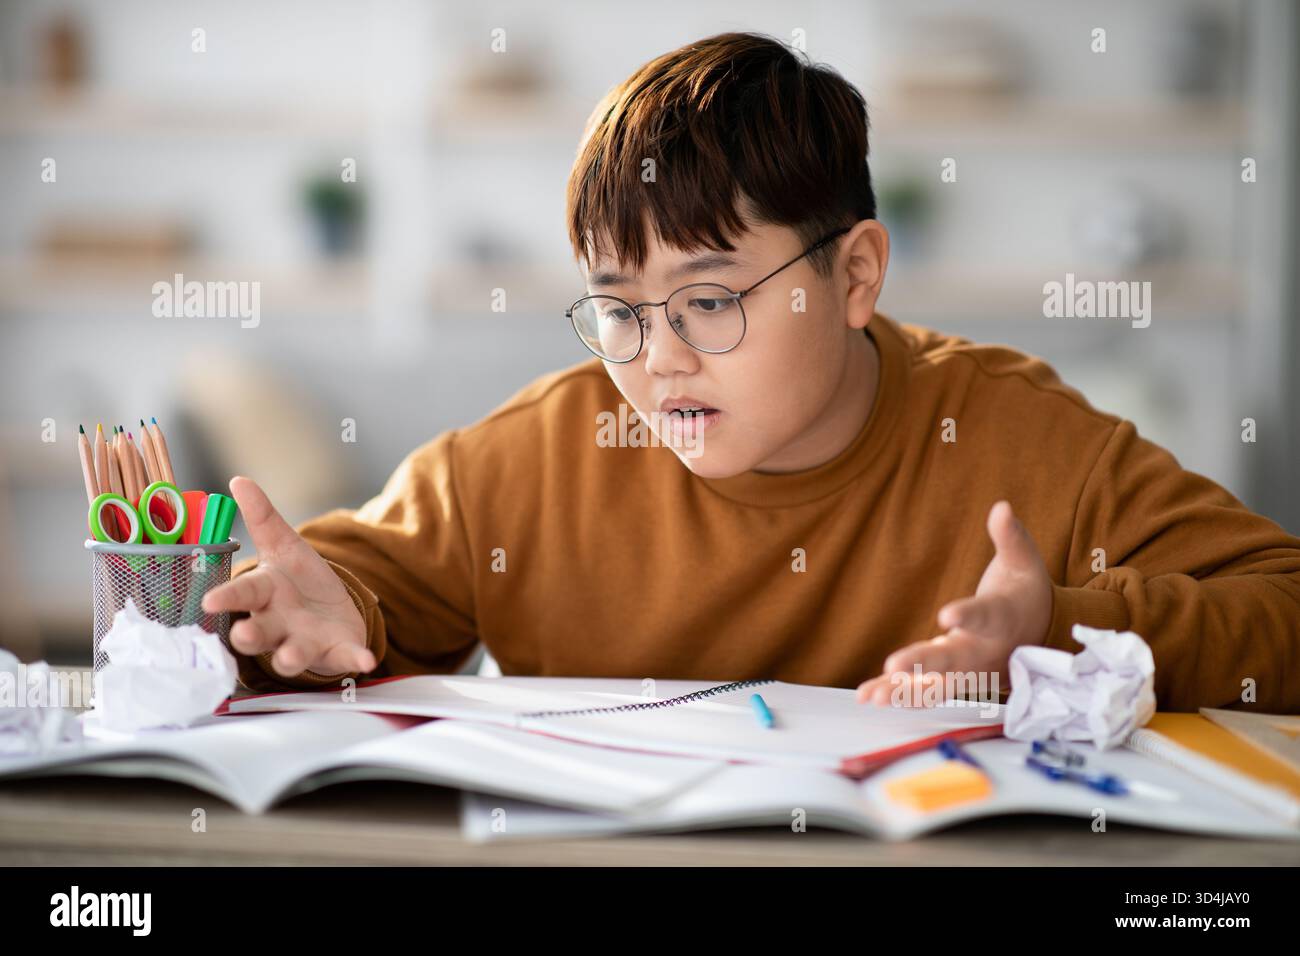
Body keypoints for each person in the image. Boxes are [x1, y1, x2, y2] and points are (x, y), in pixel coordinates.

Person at [203, 32, 1300, 712]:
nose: (660, 359)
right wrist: (302, 617)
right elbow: (346, 590)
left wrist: (1057, 626)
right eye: (619, 310)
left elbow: (1283, 610)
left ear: (854, 273)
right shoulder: (532, 459)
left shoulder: (1023, 441)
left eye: (712, 300)